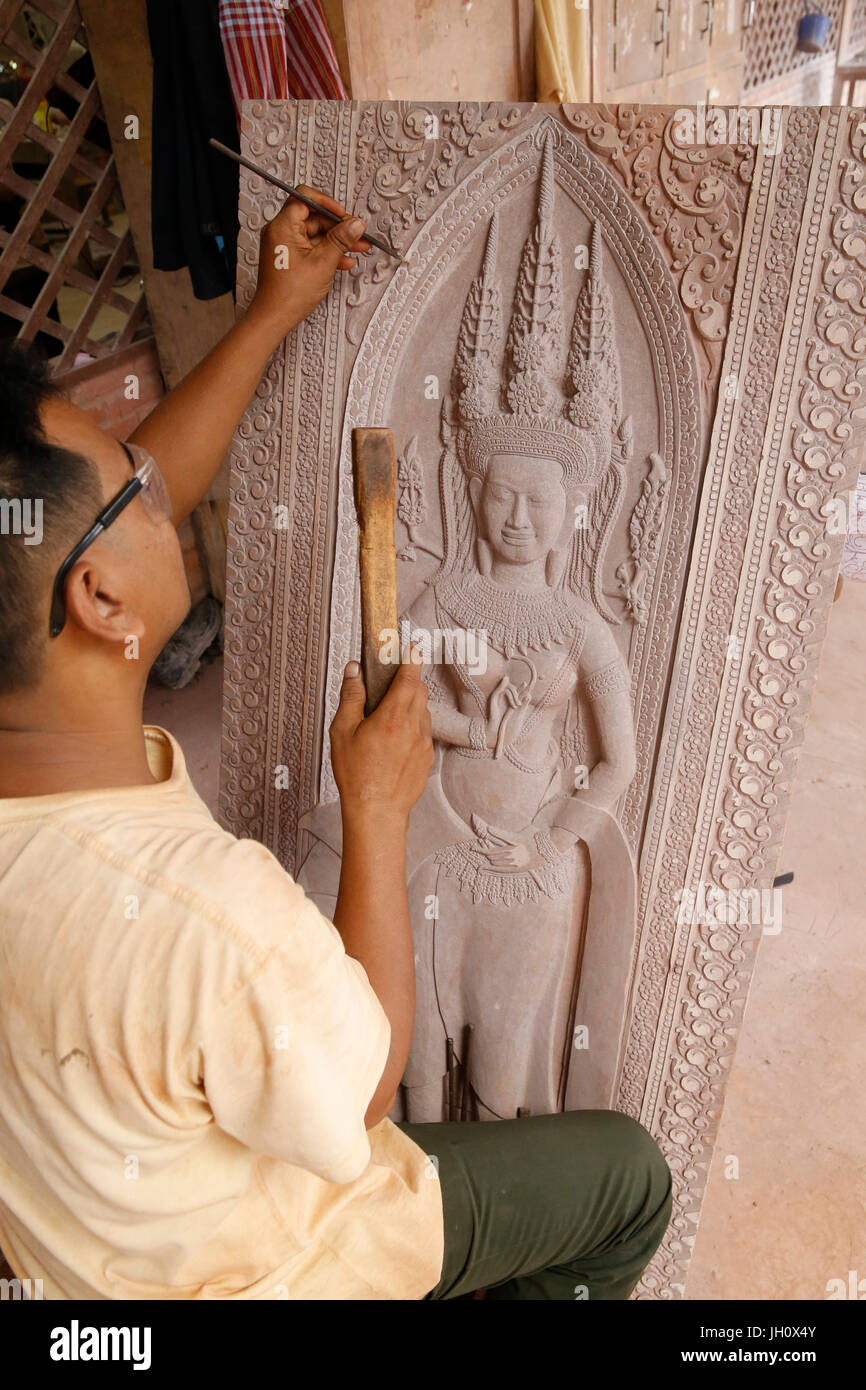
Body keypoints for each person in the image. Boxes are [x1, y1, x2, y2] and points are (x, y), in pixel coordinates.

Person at [0, 189, 671, 1300]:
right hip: (264, 1263)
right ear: (103, 595)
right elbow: (358, 1073)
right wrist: (383, 811)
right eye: (136, 485)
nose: (158, 482)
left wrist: (272, 312)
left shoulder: (577, 625)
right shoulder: (212, 916)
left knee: (501, 1065)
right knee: (608, 1173)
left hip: (84, 1252)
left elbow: (613, 758)